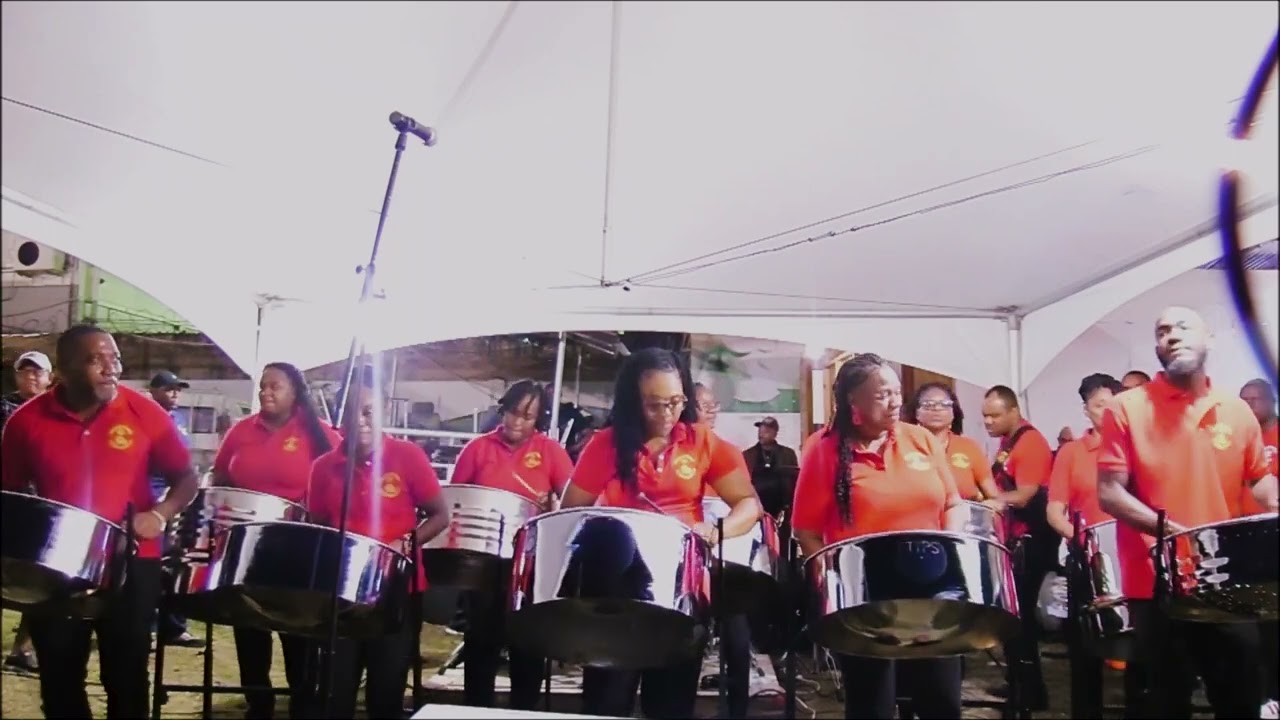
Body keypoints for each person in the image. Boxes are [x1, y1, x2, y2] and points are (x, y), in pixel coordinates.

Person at [0, 325, 198, 718]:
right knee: (59, 679)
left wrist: (159, 514)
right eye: (96, 360)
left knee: (127, 677)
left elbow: (186, 478)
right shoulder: (26, 421)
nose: (111, 368)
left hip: (132, 560)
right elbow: (11, 493)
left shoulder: (144, 412)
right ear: (64, 370)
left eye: (115, 359)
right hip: (57, 566)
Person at [1097, 306, 1278, 719]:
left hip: (1226, 581)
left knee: (1239, 699)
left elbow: (1259, 481)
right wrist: (1182, 537)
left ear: (1209, 338)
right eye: (1162, 331)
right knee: (1165, 703)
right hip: (1157, 583)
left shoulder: (1236, 410)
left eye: (1182, 327)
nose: (1172, 336)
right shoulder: (1127, 408)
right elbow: (1110, 493)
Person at [562, 348, 763, 719]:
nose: (667, 414)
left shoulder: (702, 442)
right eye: (654, 405)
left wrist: (715, 531)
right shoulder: (606, 445)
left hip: (680, 593)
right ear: (632, 402)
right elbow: (570, 513)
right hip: (618, 600)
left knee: (671, 705)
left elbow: (749, 505)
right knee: (608, 703)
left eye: (675, 402)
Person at [791, 353, 969, 720]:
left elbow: (954, 502)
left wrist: (950, 546)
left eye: (897, 392)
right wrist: (834, 581)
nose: (895, 402)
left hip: (931, 592)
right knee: (872, 706)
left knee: (942, 703)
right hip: (866, 601)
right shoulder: (824, 450)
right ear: (853, 401)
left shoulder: (920, 439)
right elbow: (806, 531)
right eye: (882, 395)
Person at [305, 377, 450, 719]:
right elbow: (318, 527)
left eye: (369, 411)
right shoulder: (323, 468)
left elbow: (439, 515)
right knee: (335, 693)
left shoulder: (407, 456)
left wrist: (403, 544)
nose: (361, 420)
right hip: (342, 594)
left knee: (385, 694)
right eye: (353, 412)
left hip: (396, 590)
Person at [212, 361, 340, 719]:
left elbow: (341, 481)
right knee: (249, 626)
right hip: (247, 548)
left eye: (275, 386)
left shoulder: (320, 434)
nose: (266, 392)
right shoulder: (241, 432)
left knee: (297, 630)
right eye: (263, 386)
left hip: (299, 549)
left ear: (295, 392)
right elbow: (219, 478)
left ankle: (303, 703)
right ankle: (258, 702)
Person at [449, 380, 572, 711]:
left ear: (538, 420)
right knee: (481, 645)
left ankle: (524, 712)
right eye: (513, 413)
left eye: (527, 417)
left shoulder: (550, 451)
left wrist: (552, 508)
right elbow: (456, 499)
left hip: (529, 564)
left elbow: (572, 502)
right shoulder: (478, 449)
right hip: (483, 564)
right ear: (502, 410)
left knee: (527, 646)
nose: (517, 422)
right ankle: (477, 711)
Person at [1044, 372, 1146, 715]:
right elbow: (1055, 512)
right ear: (1085, 410)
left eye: (1112, 404)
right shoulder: (1072, 453)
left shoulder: (1136, 446)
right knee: (1085, 650)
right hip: (1088, 559)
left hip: (1133, 556)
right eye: (1098, 405)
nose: (1105, 411)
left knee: (1140, 645)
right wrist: (1084, 542)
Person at [981, 384, 1054, 711]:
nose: (988, 421)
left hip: (1031, 542)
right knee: (1012, 618)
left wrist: (992, 501)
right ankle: (1019, 683)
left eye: (995, 415)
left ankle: (1030, 692)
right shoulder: (1007, 442)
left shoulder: (1030, 443)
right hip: (1014, 540)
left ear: (1014, 411)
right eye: (985, 416)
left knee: (1020, 619)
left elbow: (1024, 495)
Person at [692, 383, 753, 719]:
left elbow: (748, 505)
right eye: (704, 405)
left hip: (726, 553)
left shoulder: (727, 451)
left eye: (714, 404)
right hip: (687, 560)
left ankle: (736, 709)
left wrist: (721, 530)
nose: (712, 410)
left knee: (736, 631)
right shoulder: (677, 453)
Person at [2, 349, 53, 675]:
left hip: (42, 505)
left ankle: (22, 648)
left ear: (50, 378)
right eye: (25, 371)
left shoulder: (56, 412)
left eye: (37, 372)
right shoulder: (4, 409)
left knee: (39, 579)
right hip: (7, 500)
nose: (31, 376)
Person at [145, 370, 201, 648]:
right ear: (154, 391)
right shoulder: (144, 417)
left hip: (176, 499)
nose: (175, 393)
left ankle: (174, 626)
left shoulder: (178, 419)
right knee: (150, 568)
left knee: (176, 563)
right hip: (151, 500)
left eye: (178, 389)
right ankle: (148, 627)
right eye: (169, 389)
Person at [1239, 378, 1279, 717]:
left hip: (1273, 535)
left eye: (1256, 399)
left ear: (1272, 401)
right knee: (1249, 621)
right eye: (1244, 399)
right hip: (1241, 538)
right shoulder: (1237, 437)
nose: (1250, 405)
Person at [907, 382, 1003, 502]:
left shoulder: (969, 447)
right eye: (928, 404)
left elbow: (994, 497)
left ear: (953, 413)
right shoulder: (903, 446)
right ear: (917, 413)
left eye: (944, 404)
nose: (937, 409)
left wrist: (991, 505)